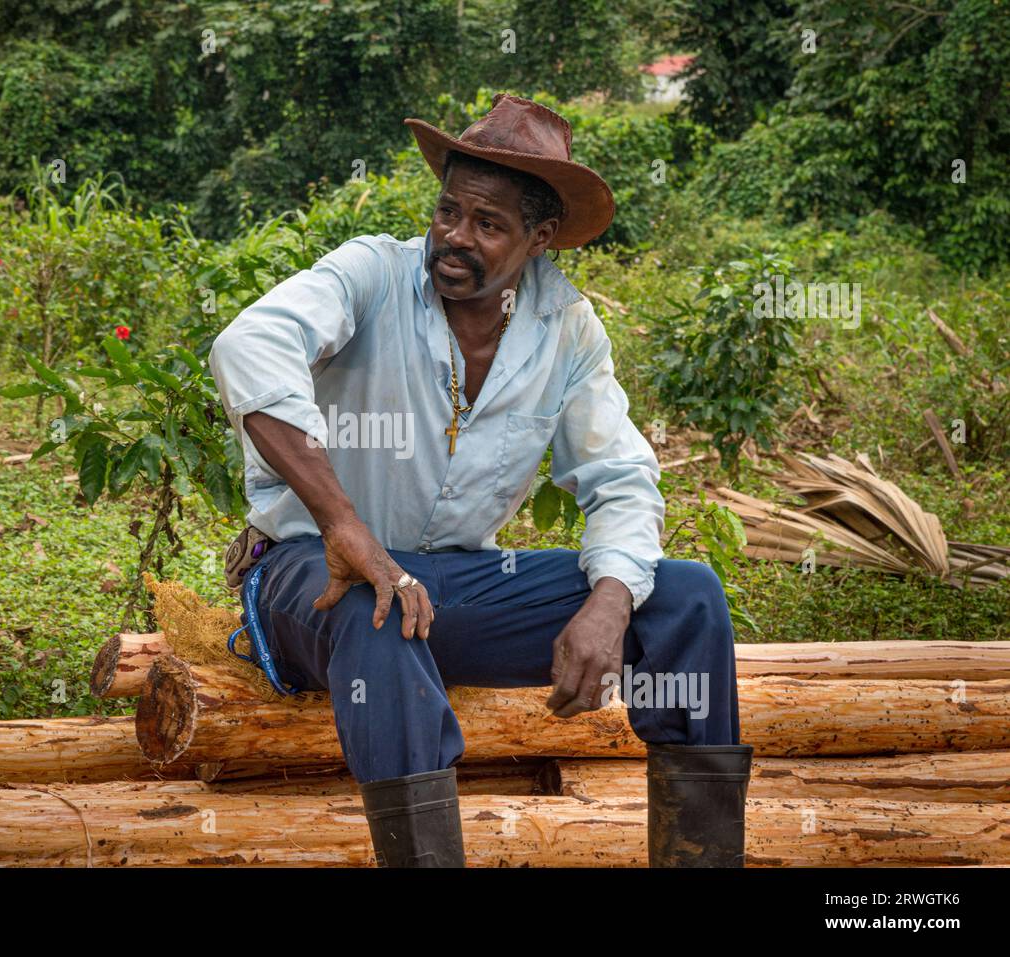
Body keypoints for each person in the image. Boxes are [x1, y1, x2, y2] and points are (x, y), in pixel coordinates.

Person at [209, 93, 752, 868]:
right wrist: (343, 523)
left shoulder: (567, 329)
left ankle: (700, 858)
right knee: (379, 608)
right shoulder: (372, 274)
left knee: (686, 596)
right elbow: (249, 347)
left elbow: (620, 476)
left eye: (488, 224)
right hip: (311, 574)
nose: (456, 236)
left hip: (453, 583)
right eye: (448, 211)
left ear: (540, 238)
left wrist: (609, 601)